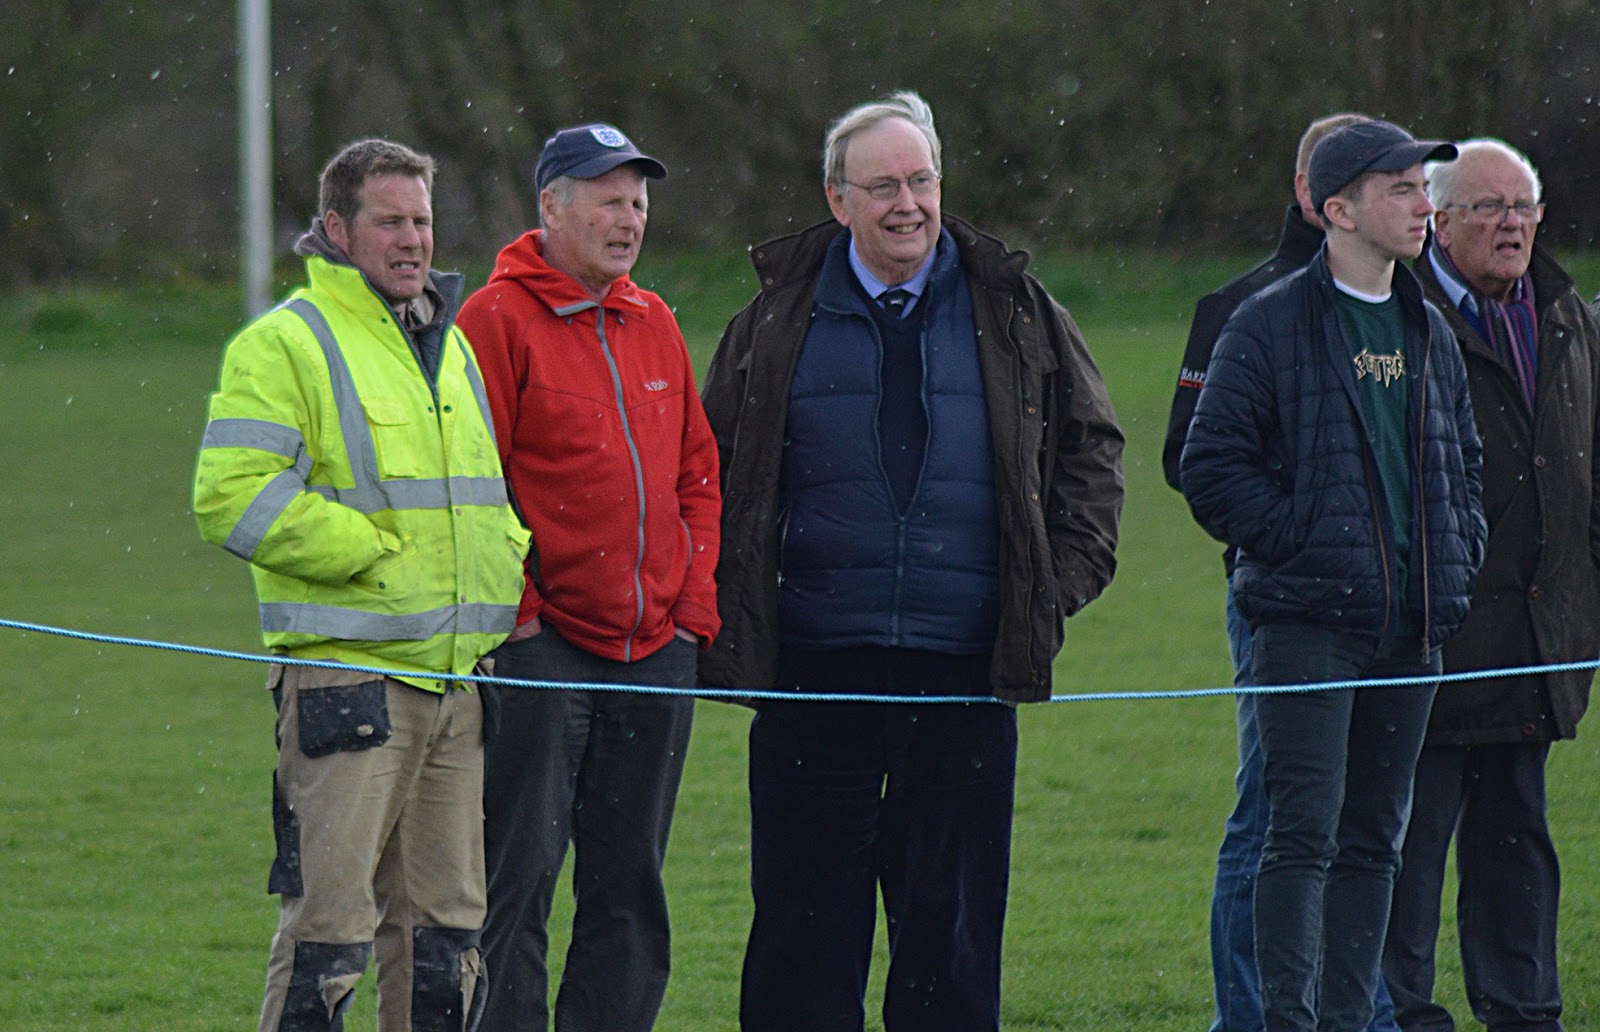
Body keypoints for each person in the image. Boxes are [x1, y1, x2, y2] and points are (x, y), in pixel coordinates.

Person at [699, 90, 1125, 1032]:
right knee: (803, 945)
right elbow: (707, 468)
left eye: (922, 181)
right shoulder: (771, 321)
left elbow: (1092, 449)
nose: (908, 204)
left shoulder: (1017, 311)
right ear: (836, 198)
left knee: (952, 947)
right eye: (883, 186)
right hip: (814, 671)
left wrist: (1051, 587)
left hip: (966, 671)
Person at [193, 138, 530, 1031]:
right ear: (337, 229)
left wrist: (506, 556)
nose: (413, 239)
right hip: (346, 684)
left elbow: (475, 499)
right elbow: (231, 498)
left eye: (422, 220)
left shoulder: (448, 347)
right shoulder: (285, 343)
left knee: (446, 941)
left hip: (457, 684)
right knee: (328, 941)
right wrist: (374, 551)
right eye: (390, 222)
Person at [1180, 120, 1486, 1031]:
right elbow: (1209, 467)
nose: (1423, 205)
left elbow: (1466, 464)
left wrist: (1457, 554)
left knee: (1375, 844)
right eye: (1400, 188)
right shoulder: (1266, 322)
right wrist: (1304, 543)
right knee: (1300, 837)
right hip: (1307, 627)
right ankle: (1289, 1020)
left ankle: (1350, 1020)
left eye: (1423, 187)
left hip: (1412, 632)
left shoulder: (1429, 327)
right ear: (1338, 210)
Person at [455, 123, 721, 1032]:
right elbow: (473, 481)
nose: (629, 219)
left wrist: (690, 609)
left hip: (656, 650)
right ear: (552, 207)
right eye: (609, 200)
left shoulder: (656, 321)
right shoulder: (493, 320)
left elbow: (697, 474)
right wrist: (520, 615)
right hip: (546, 650)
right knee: (516, 876)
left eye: (638, 202)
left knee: (630, 882)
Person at [1163, 111, 1405, 1032]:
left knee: (1372, 824)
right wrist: (1299, 541)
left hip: (1398, 607)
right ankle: (1254, 1012)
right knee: (1276, 816)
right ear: (1314, 193)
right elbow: (1190, 457)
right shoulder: (1240, 309)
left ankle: (1363, 1011)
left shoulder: (1407, 310)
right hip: (1285, 607)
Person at [1382, 138, 1600, 1032]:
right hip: (1432, 638)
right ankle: (1397, 1015)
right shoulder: (1397, 314)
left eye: (1524, 208)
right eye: (1489, 208)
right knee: (1407, 845)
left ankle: (1524, 1012)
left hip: (1536, 638)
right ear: (1439, 221)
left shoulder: (1570, 318)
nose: (1512, 224)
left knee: (1518, 841)